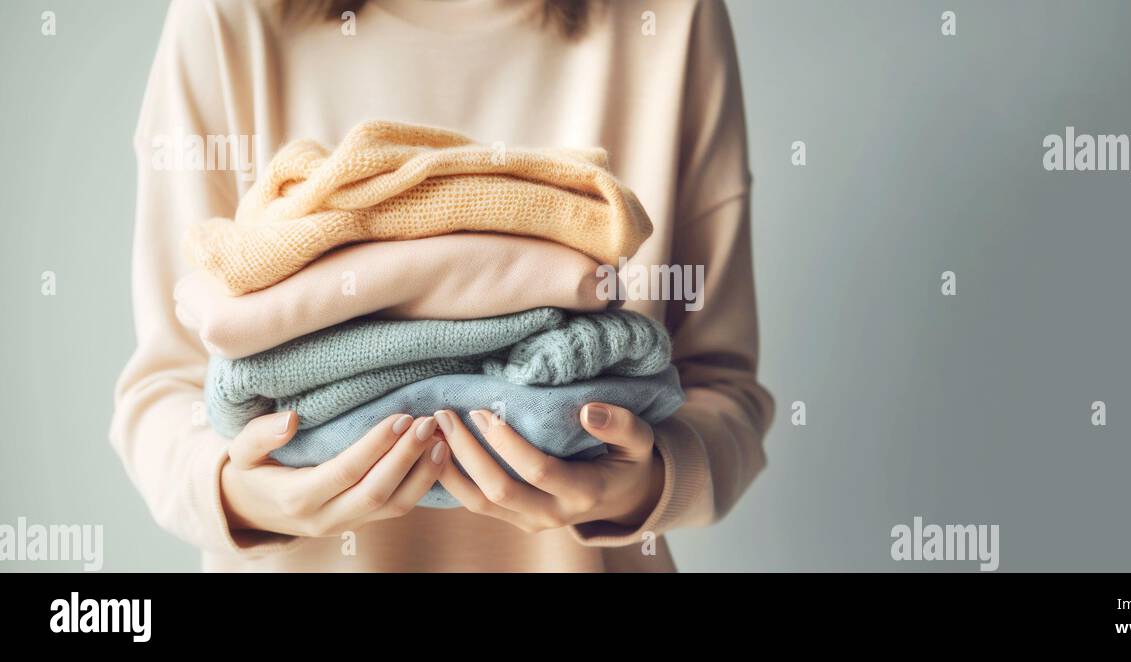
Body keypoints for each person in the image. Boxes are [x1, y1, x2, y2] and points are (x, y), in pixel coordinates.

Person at [111, 0, 772, 572]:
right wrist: (238, 494)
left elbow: (720, 387)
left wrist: (643, 484)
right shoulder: (230, 18)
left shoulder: (669, 18)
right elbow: (165, 388)